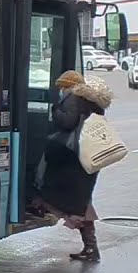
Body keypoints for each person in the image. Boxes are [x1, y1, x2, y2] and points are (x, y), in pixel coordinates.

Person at [33, 70, 113, 262]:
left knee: (57, 194)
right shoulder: (91, 102)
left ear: (68, 86)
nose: (60, 90)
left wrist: (55, 110)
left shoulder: (73, 99)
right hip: (86, 156)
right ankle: (91, 248)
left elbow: (67, 122)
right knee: (81, 201)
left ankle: (91, 247)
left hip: (72, 157)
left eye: (62, 87)